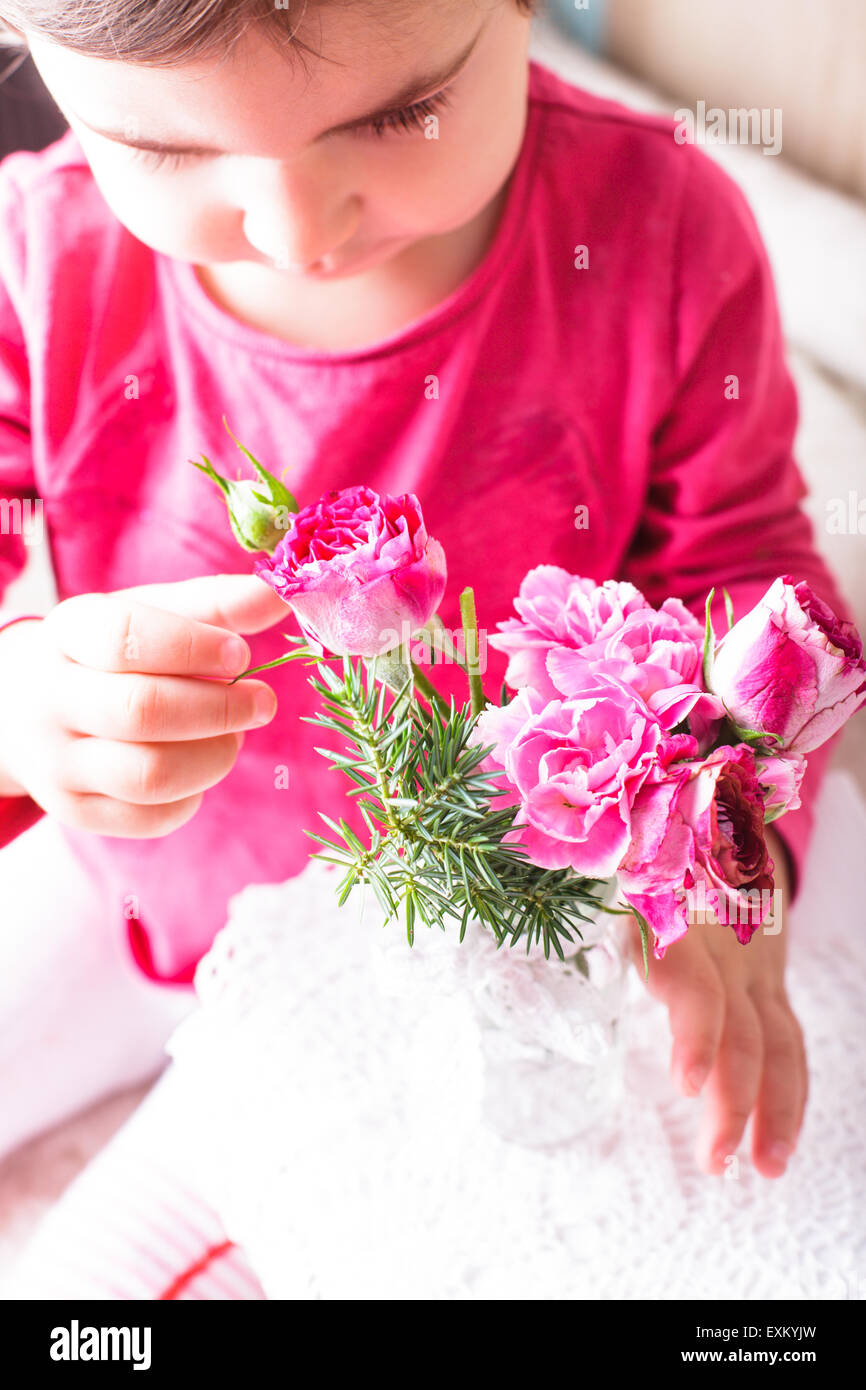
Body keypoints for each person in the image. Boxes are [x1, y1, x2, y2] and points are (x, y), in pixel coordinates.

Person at [0, 0, 851, 1293]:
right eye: (165, 151)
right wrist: (20, 682)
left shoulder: (661, 225)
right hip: (151, 889)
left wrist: (728, 869)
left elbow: (747, 577)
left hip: (541, 918)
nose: (299, 230)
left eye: (398, 115)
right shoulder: (33, 254)